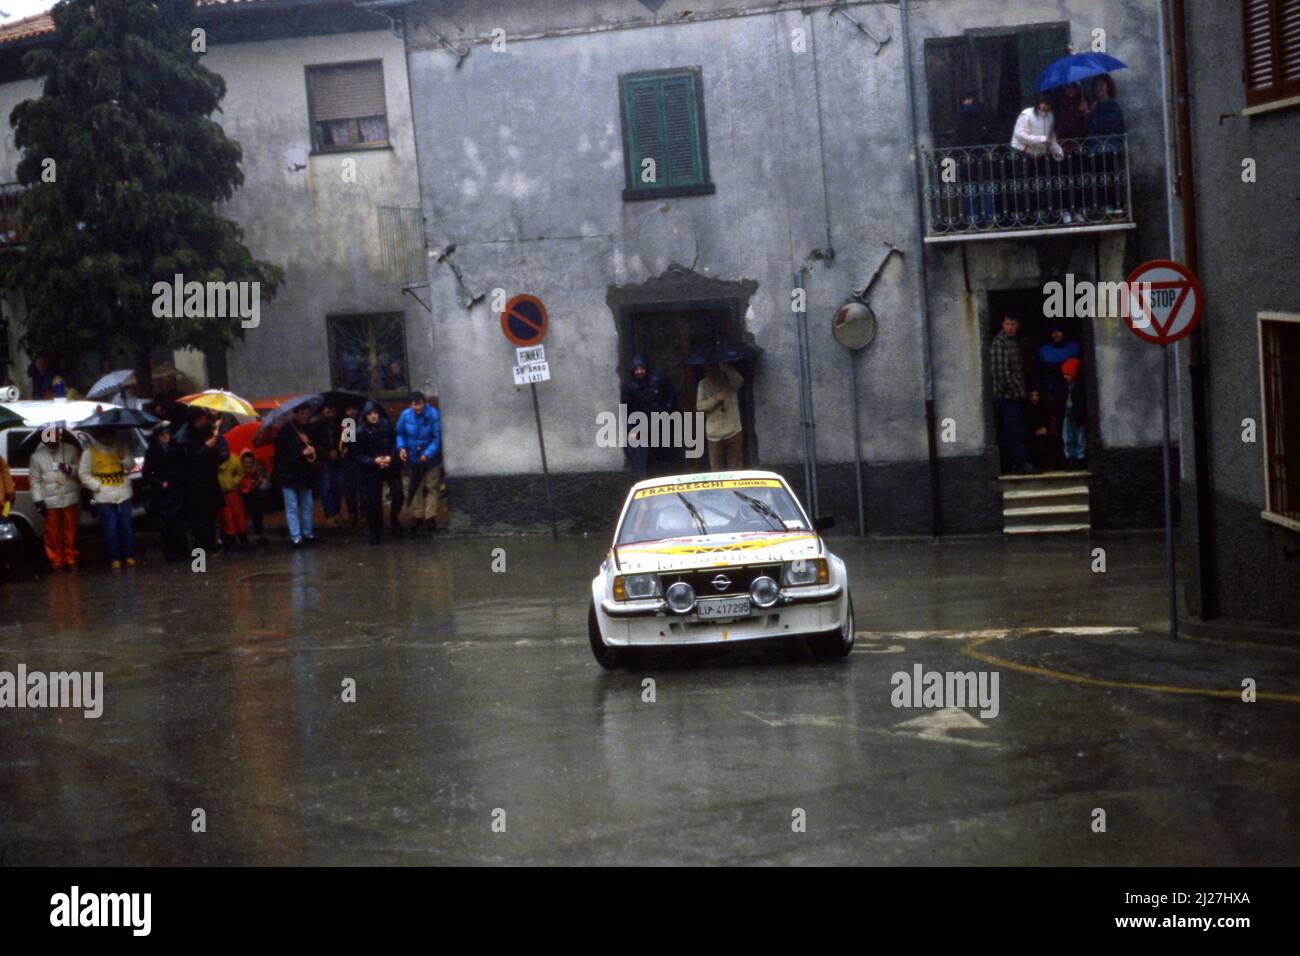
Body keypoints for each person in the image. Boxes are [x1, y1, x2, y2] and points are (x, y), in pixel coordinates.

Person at [78, 428, 136, 569]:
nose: (109, 439)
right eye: (105, 436)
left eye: (111, 435)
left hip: (124, 493)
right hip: (105, 496)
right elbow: (83, 474)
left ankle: (128, 555)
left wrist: (123, 458)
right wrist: (97, 486)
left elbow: (130, 465)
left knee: (126, 527)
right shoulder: (89, 453)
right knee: (110, 528)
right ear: (100, 437)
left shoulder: (121, 448)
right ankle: (114, 557)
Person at [29, 428, 82, 570]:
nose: (53, 440)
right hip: (49, 500)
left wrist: (70, 469)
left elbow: (80, 470)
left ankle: (70, 557)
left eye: (55, 437)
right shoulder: (36, 457)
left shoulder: (71, 450)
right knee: (52, 532)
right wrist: (38, 500)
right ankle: (56, 560)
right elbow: (34, 481)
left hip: (69, 497)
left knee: (70, 530)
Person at [620, 355, 678, 479]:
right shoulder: (629, 388)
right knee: (646, 459)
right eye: (636, 369)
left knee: (664, 456)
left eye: (641, 368)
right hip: (642, 427)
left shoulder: (658, 381)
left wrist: (664, 412)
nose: (639, 372)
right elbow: (626, 410)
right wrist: (632, 429)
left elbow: (671, 397)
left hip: (661, 425)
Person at [990, 316, 1035, 474]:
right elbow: (1001, 373)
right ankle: (1018, 464)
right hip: (1006, 396)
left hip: (1016, 395)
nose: (1010, 327)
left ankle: (1018, 463)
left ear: (1018, 326)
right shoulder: (999, 343)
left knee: (1018, 429)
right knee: (1013, 430)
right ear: (1002, 325)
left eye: (1013, 324)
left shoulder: (1013, 342)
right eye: (1007, 324)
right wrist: (1017, 391)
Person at [1010, 94, 1064, 221]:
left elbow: (1051, 137)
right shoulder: (1027, 114)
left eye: (1048, 104)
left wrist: (1057, 150)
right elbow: (1019, 134)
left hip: (1038, 154)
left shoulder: (1050, 116)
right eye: (1042, 103)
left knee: (1039, 185)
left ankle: (1039, 214)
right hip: (1022, 151)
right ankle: (1023, 217)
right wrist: (1040, 139)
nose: (1045, 106)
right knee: (1023, 186)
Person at [395, 391, 442, 536]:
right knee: (415, 486)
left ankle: (430, 516)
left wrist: (427, 454)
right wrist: (401, 447)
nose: (417, 408)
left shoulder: (433, 415)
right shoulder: (405, 415)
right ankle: (418, 515)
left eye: (420, 404)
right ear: (410, 405)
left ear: (424, 402)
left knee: (431, 486)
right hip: (413, 458)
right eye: (414, 405)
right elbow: (400, 433)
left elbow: (437, 437)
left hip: (431, 458)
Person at [353, 401, 399, 545]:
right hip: (371, 469)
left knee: (398, 493)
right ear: (365, 416)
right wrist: (373, 461)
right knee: (373, 502)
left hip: (389, 466)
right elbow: (356, 455)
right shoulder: (358, 431)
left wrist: (390, 457)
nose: (373, 416)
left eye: (375, 413)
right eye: (370, 414)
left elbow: (395, 443)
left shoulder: (387, 425)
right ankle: (375, 531)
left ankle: (394, 521)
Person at [180, 411, 226, 553]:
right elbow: (190, 461)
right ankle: (200, 554)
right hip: (196, 487)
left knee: (211, 517)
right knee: (200, 521)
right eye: (201, 419)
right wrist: (206, 448)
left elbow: (218, 456)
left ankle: (211, 546)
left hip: (209, 484)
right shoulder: (185, 438)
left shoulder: (205, 433)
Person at [142, 422, 188, 562]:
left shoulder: (175, 448)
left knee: (179, 522)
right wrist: (161, 483)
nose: (165, 436)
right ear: (157, 437)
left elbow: (182, 466)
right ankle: (171, 552)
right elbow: (147, 473)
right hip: (164, 492)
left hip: (176, 488)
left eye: (167, 433)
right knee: (167, 524)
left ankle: (182, 550)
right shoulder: (152, 451)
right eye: (162, 434)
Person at [274, 402, 318, 546]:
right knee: (292, 507)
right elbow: (281, 455)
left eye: (307, 413)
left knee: (307, 505)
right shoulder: (285, 432)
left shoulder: (310, 429)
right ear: (295, 414)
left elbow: (316, 447)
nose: (305, 416)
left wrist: (309, 444)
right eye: (302, 413)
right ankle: (296, 537)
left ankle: (308, 533)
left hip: (305, 475)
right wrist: (301, 452)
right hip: (289, 475)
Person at [954, 87, 997, 226]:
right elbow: (957, 140)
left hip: (984, 160)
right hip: (967, 162)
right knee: (971, 192)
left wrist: (990, 149)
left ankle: (989, 220)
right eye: (965, 100)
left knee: (987, 190)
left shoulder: (984, 114)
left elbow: (991, 133)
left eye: (969, 99)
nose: (967, 102)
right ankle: (973, 220)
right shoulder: (960, 118)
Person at [1086, 74, 1126, 216]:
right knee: (1100, 178)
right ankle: (1105, 205)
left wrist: (1092, 114)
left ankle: (1115, 205)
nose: (1099, 88)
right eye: (1096, 86)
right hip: (1097, 148)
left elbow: (1104, 124)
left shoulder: (1111, 105)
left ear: (1108, 87)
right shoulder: (1095, 105)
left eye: (1102, 85)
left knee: (1111, 177)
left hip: (1110, 148)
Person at [696, 363, 744, 472]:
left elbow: (740, 381)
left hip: (733, 429)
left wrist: (726, 366)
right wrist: (716, 399)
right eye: (709, 369)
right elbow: (700, 406)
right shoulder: (703, 384)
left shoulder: (729, 380)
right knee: (717, 470)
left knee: (735, 467)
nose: (711, 372)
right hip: (714, 434)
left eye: (714, 368)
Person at [1053, 82, 1090, 221]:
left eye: (1072, 87)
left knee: (1078, 180)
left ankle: (1078, 211)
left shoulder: (1082, 103)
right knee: (1063, 180)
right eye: (1067, 87)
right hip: (1063, 147)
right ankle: (1066, 211)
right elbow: (1059, 125)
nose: (1070, 90)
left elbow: (1085, 127)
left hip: (1078, 147)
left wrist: (1085, 113)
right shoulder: (1058, 106)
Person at [310, 404, 345, 528]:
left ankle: (336, 512)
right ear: (323, 410)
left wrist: (337, 450)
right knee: (326, 488)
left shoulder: (341, 423)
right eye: (328, 410)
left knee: (338, 487)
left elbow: (345, 440)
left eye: (333, 410)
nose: (331, 413)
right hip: (323, 461)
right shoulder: (315, 424)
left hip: (337, 460)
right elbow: (314, 442)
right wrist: (326, 453)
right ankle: (329, 515)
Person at [1059, 357, 1090, 469]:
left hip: (1078, 415)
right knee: (1067, 437)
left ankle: (1079, 460)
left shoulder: (1079, 386)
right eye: (1064, 374)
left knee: (1079, 438)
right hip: (1067, 415)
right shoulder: (1063, 386)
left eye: (1068, 374)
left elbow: (1082, 402)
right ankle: (1069, 459)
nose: (1065, 377)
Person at [216, 449, 249, 550]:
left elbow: (241, 473)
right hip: (226, 492)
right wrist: (234, 482)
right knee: (230, 517)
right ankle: (237, 540)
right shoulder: (233, 459)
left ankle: (233, 540)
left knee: (231, 516)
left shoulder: (232, 460)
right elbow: (241, 473)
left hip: (229, 492)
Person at [238, 450, 270, 546]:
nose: (248, 465)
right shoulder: (239, 471)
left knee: (257, 513)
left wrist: (259, 480)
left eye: (250, 463)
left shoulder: (258, 470)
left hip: (255, 493)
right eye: (246, 463)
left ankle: (259, 534)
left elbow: (265, 483)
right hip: (243, 495)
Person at [1038, 325, 1080, 396]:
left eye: (1059, 331)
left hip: (1072, 389)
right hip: (1052, 390)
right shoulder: (1044, 350)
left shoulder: (1073, 347)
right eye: (1053, 332)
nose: (1056, 334)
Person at [339, 401, 363, 527]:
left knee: (361, 488)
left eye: (354, 409)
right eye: (349, 410)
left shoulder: (362, 422)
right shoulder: (345, 422)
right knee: (350, 489)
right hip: (348, 461)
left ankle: (362, 514)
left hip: (360, 460)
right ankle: (352, 514)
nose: (352, 412)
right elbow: (346, 443)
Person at [1026, 389, 1055, 470]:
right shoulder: (1027, 409)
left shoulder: (1043, 408)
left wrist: (1045, 428)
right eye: (1032, 395)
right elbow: (1026, 424)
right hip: (1032, 433)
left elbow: (1047, 420)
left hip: (1043, 431)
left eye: (1036, 395)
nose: (1034, 398)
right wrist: (1034, 432)